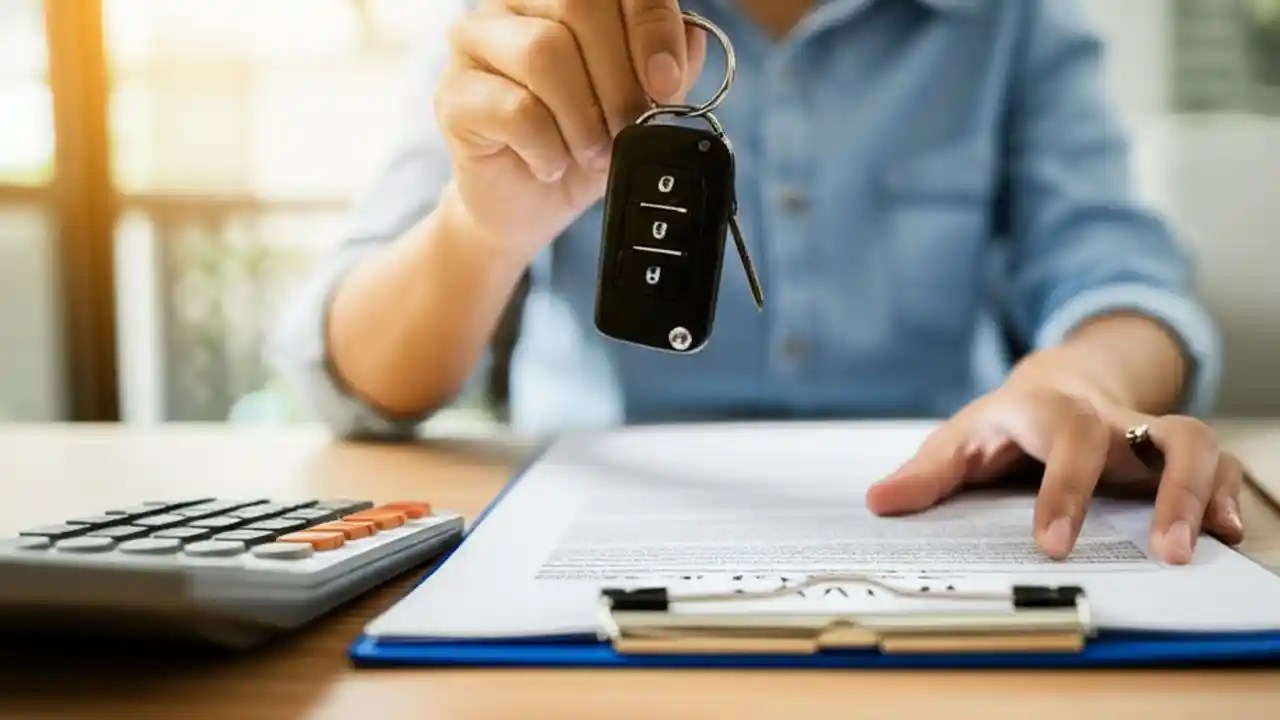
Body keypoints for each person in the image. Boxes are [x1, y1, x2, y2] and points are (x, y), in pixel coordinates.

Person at [272, 0, 1246, 565]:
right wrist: (480, 229)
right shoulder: (523, 18)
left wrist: (1079, 381)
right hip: (589, 532)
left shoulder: (1010, 18)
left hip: (945, 521)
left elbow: (1119, 275)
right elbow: (352, 372)